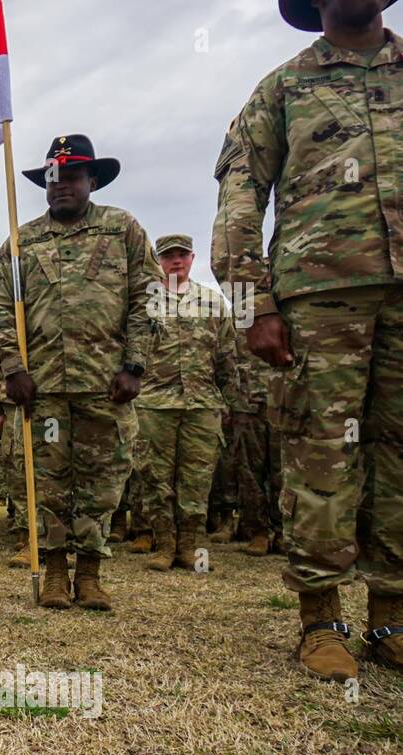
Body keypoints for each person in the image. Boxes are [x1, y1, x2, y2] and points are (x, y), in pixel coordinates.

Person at [219, 0, 403, 679]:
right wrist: (251, 303)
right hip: (319, 299)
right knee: (321, 456)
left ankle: (392, 615)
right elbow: (240, 197)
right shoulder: (283, 87)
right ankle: (321, 618)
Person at [0, 134, 158, 609]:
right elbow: (1, 307)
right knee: (46, 483)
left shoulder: (122, 230)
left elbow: (147, 299)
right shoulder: (21, 243)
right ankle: (56, 573)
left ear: (92, 180)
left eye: (72, 176)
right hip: (41, 388)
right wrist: (12, 367)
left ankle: (91, 574)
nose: (61, 185)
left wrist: (134, 365)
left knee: (103, 482)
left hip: (106, 384)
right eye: (52, 178)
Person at [136, 235, 237, 572]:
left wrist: (231, 401)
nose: (175, 261)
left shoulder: (211, 300)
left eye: (182, 255)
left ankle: (190, 546)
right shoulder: (144, 301)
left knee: (197, 477)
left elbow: (226, 355)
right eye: (168, 256)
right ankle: (163, 543)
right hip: (154, 402)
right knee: (155, 476)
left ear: (192, 258)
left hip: (202, 402)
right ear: (157, 260)